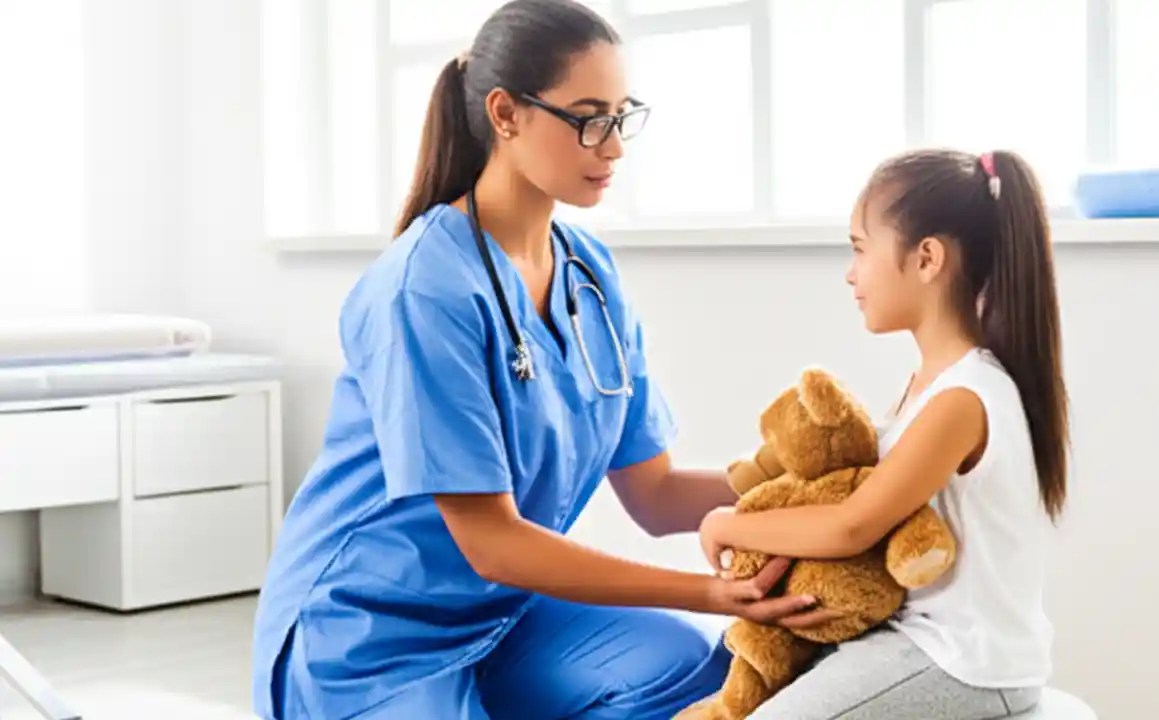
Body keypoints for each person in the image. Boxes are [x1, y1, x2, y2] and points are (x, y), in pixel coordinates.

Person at [249, 1, 822, 718]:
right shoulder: (423, 287)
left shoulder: (589, 274)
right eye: (588, 118)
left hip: (503, 616)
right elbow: (492, 542)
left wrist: (818, 493)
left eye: (621, 117)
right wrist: (707, 592)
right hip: (370, 638)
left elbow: (656, 493)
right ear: (505, 113)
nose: (612, 147)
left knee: (696, 674)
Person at [698, 148, 1070, 719]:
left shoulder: (964, 399)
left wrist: (729, 523)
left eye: (859, 248)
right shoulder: (929, 385)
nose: (851, 272)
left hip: (963, 663)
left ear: (926, 259)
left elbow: (853, 524)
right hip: (925, 643)